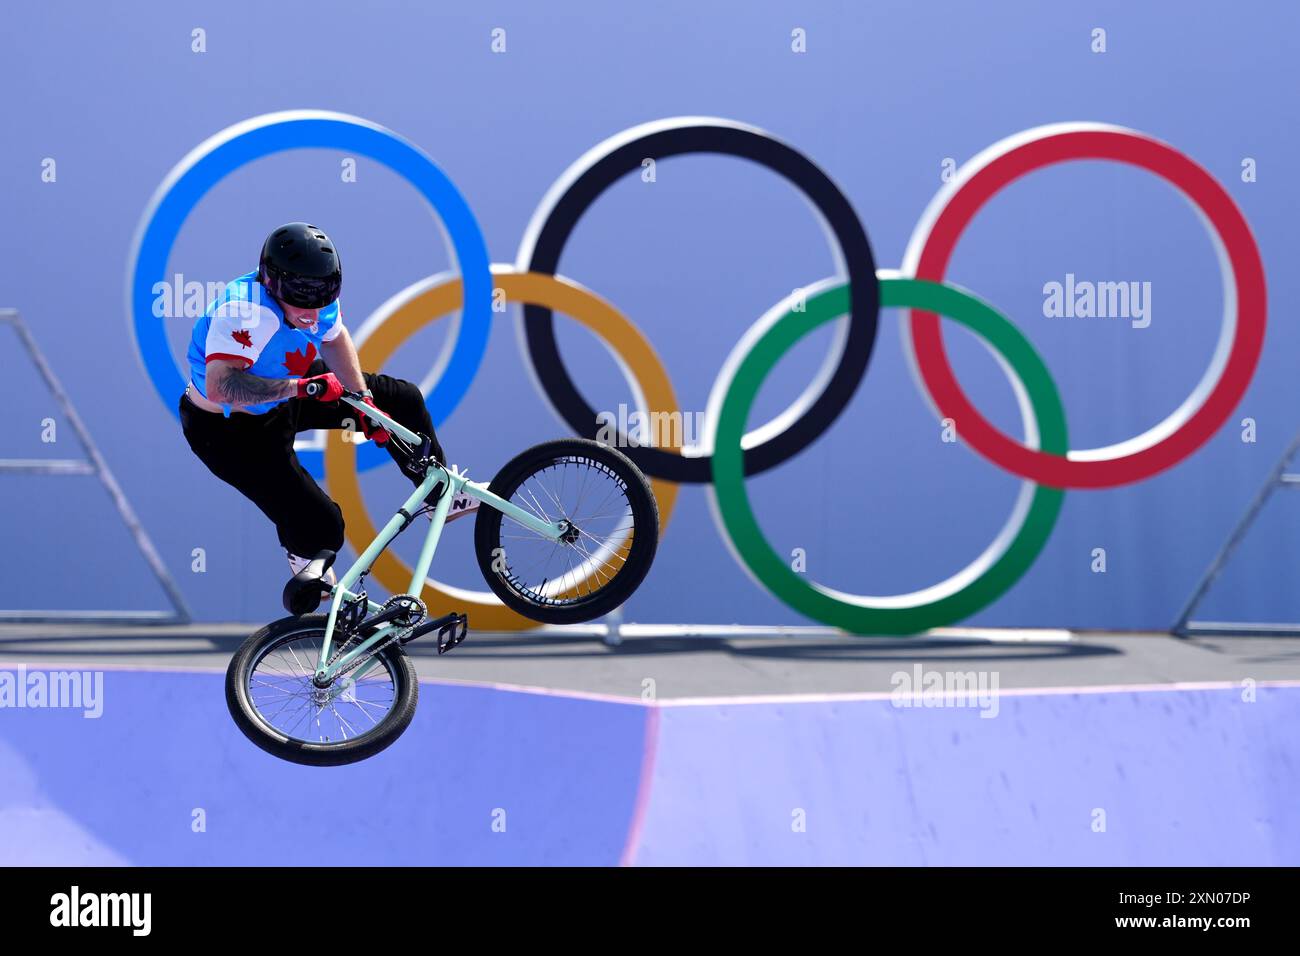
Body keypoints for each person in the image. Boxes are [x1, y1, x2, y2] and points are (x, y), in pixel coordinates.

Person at [178, 222, 476, 585]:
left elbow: (334, 340)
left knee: (401, 401)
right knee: (324, 529)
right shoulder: (246, 311)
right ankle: (301, 553)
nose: (313, 312)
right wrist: (302, 389)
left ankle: (436, 495)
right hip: (230, 432)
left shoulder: (317, 297)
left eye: (325, 294)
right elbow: (222, 387)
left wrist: (365, 404)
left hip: (295, 389)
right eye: (302, 297)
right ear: (271, 282)